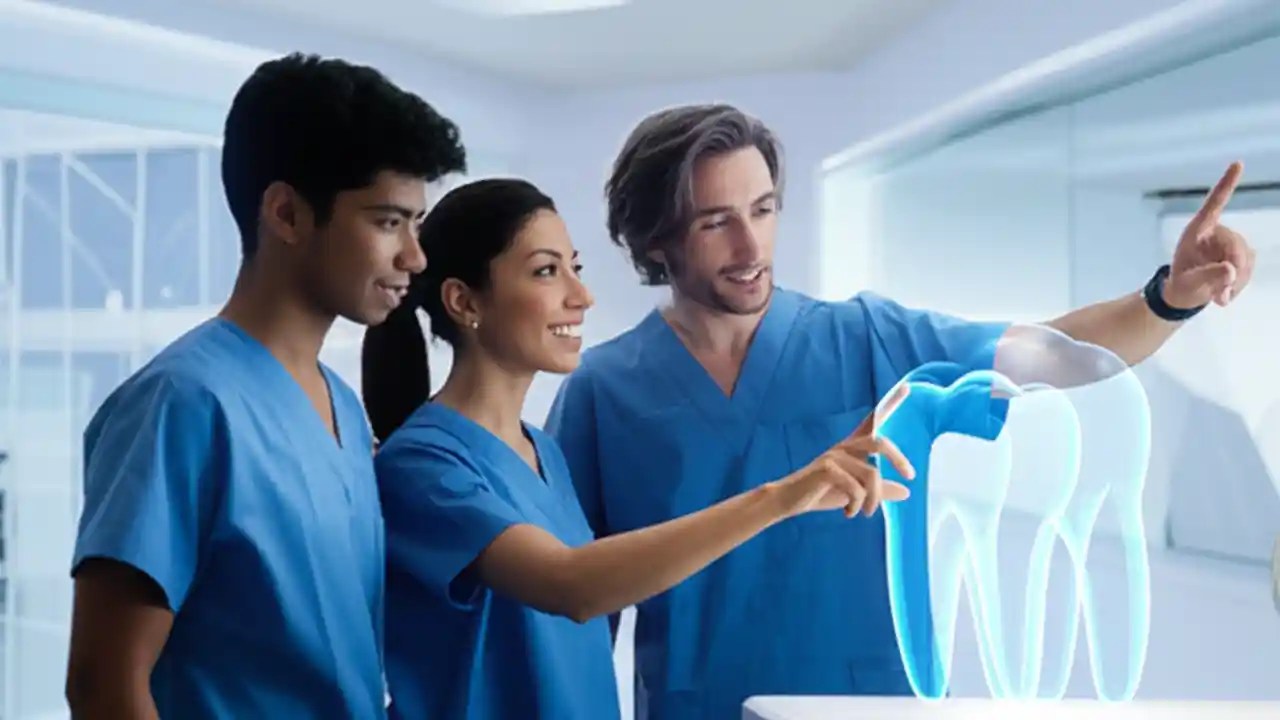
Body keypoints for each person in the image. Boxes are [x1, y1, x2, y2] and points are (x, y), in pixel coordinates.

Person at [544, 103, 1256, 719]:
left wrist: (1169, 297)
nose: (750, 246)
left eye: (763, 210)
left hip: (872, 703)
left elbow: (1056, 355)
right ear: (656, 239)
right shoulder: (603, 394)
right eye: (715, 223)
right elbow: (571, 607)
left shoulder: (868, 340)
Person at [360, 177, 918, 720]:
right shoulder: (423, 466)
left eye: (574, 269)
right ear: (463, 300)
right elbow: (572, 585)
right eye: (546, 272)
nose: (581, 296)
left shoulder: (541, 455)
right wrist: (781, 496)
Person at [64, 53, 467, 719]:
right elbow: (104, 687)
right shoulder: (182, 405)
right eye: (388, 222)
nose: (415, 258)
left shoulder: (338, 402)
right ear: (286, 213)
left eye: (417, 224)